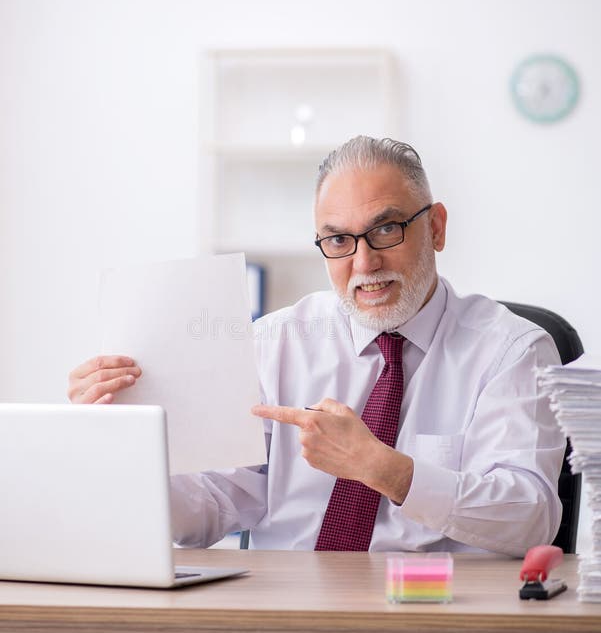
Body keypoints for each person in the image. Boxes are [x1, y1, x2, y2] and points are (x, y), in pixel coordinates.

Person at [68, 136, 565, 556]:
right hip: (286, 614)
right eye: (338, 240)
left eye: (386, 230)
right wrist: (126, 448)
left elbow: (530, 519)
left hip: (433, 615)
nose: (364, 263)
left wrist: (382, 468)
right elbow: (213, 506)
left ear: (435, 227)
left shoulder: (513, 351)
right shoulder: (274, 341)